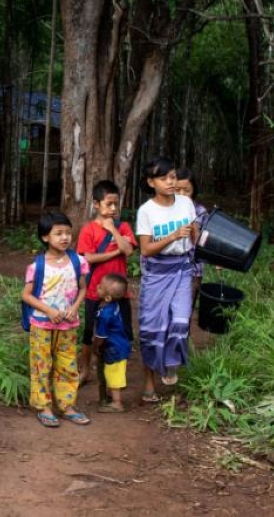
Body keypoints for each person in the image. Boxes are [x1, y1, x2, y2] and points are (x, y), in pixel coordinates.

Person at [21, 211, 90, 428]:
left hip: (69, 325)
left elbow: (83, 288)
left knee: (68, 365)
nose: (64, 237)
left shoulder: (78, 261)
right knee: (42, 365)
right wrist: (48, 310)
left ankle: (67, 406)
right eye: (58, 233)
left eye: (68, 233)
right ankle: (44, 407)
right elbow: (26, 295)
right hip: (42, 324)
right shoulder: (38, 266)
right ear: (45, 237)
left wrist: (75, 307)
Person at [136, 157, 197, 402]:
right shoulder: (146, 211)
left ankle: (171, 362)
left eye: (172, 176)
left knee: (180, 321)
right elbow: (146, 250)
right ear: (151, 182)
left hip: (182, 268)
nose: (170, 182)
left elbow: (195, 235)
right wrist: (172, 236)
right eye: (164, 178)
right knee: (152, 329)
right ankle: (149, 384)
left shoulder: (185, 203)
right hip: (156, 273)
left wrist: (197, 236)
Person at [76, 180, 136, 390]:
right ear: (96, 204)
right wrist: (113, 251)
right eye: (108, 204)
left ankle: (118, 375)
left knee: (124, 331)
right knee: (89, 331)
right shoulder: (88, 230)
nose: (112, 209)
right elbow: (88, 259)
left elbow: (128, 250)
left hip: (120, 293)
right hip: (95, 291)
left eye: (115, 204)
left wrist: (114, 231)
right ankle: (85, 369)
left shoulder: (123, 227)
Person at [93, 274, 132, 413]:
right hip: (122, 343)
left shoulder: (104, 314)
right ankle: (112, 397)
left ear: (108, 297)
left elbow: (101, 336)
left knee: (113, 373)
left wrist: (95, 346)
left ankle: (117, 403)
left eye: (100, 287)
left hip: (113, 347)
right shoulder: (113, 304)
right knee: (115, 371)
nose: (97, 286)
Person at [175, 167, 210, 310]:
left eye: (187, 190)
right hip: (167, 270)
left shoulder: (200, 212)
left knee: (184, 312)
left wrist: (193, 228)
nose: (182, 195)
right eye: (178, 190)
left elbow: (204, 242)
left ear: (193, 190)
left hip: (192, 270)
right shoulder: (162, 210)